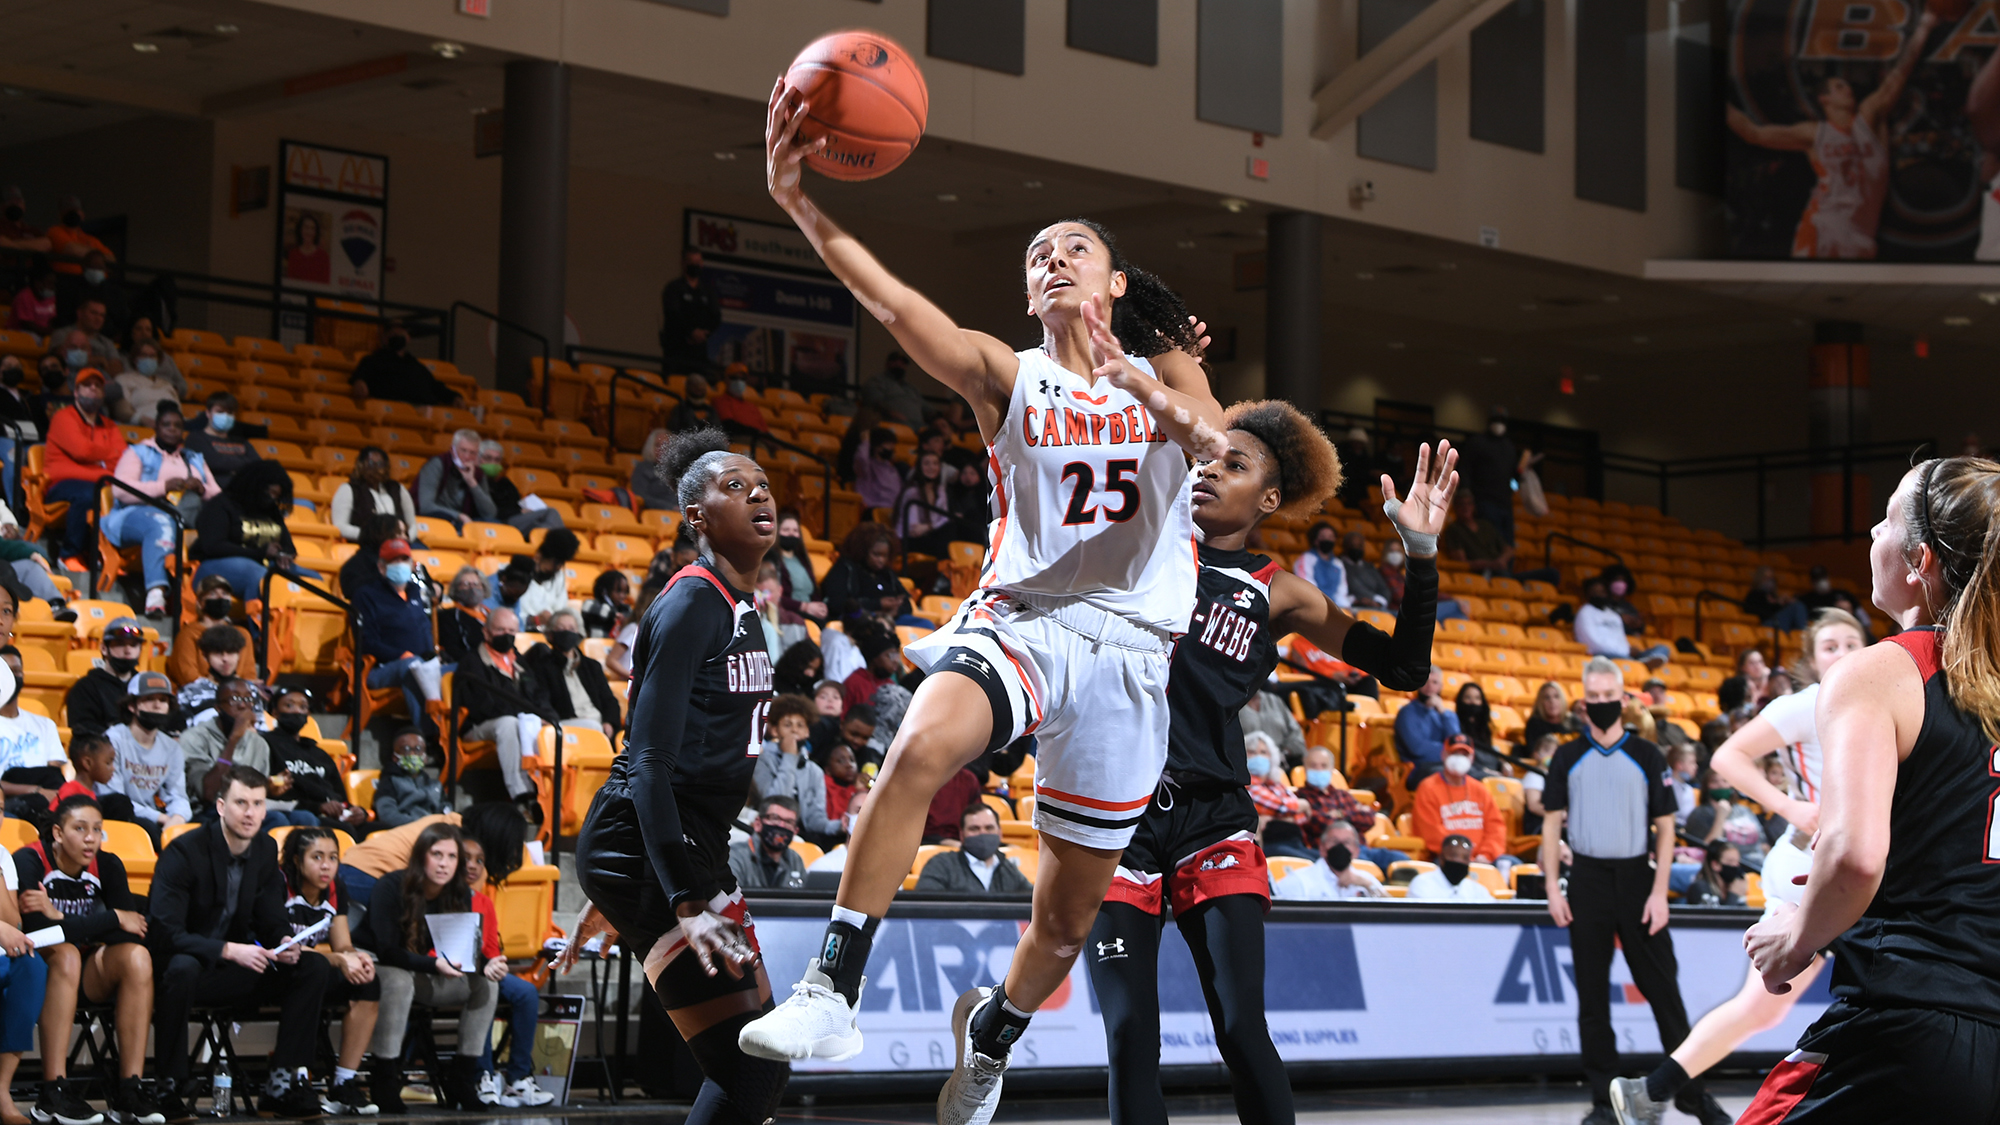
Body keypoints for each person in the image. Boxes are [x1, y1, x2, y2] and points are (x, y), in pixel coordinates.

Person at [743, 93, 1241, 1114]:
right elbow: (888, 303)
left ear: (1111, 280)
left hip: (1133, 656)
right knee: (918, 749)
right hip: (1021, 622)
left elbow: (1214, 444)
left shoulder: (1166, 368)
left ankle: (994, 1032)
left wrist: (1143, 374)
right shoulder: (1002, 373)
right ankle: (831, 987)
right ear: (1025, 296)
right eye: (1036, 255)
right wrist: (795, 200)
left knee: (1064, 921)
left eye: (1073, 248)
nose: (1051, 259)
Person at [1072, 400, 1444, 1125]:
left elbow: (1400, 667)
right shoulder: (1138, 539)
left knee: (1242, 1030)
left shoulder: (1276, 589)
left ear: (1269, 498)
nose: (1210, 469)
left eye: (1234, 464)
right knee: (1128, 1036)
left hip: (1213, 816)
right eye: (1205, 459)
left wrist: (1421, 555)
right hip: (1116, 816)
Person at [567, 428, 788, 1124]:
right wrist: (680, 900)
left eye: (761, 483)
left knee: (761, 1061)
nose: (757, 492)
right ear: (696, 517)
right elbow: (650, 759)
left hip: (678, 846)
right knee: (749, 1067)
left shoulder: (743, 609)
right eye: (733, 485)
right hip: (653, 845)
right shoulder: (692, 602)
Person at [1610, 607, 1867, 1125]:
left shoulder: (1869, 700)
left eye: (1851, 643)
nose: (1841, 654)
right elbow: (1728, 757)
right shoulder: (1808, 702)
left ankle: (1651, 1090)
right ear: (1811, 662)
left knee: (1764, 1007)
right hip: (1807, 861)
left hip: (1836, 861)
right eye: (1829, 646)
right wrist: (1791, 806)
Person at [1540, 655, 1709, 1124]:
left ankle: (1693, 1094)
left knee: (1665, 994)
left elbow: (1667, 827)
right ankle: (1603, 1100)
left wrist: (1659, 893)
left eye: (1606, 696)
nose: (1599, 703)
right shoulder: (1566, 756)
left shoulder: (1647, 756)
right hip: (1587, 881)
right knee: (1592, 999)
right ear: (1582, 702)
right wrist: (1554, 887)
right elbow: (1551, 825)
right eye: (1591, 697)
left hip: (1637, 879)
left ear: (1622, 698)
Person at [148, 768, 332, 1119]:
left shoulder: (265, 847)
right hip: (187, 965)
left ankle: (283, 1083)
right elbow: (164, 932)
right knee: (182, 969)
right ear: (220, 806)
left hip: (238, 967)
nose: (250, 813)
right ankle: (167, 1085)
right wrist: (228, 950)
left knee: (312, 966)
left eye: (258, 804)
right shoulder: (184, 852)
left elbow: (270, 913)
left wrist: (283, 939)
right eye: (240, 803)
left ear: (266, 810)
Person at [1726, 11, 1935, 260]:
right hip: (1823, 228)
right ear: (1824, 99)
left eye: (1847, 85)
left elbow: (1899, 74)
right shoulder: (1815, 133)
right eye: (1838, 87)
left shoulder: (1870, 117)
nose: (1847, 89)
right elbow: (1753, 133)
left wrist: (1926, 25)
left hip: (1863, 236)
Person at [13, 793, 154, 1125]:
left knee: (137, 956)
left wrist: (57, 915)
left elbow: (130, 930)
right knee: (66, 953)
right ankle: (52, 1092)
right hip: (43, 969)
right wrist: (107, 920)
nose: (91, 838)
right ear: (59, 833)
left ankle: (129, 1090)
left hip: (90, 974)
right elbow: (36, 932)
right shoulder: (30, 860)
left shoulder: (107, 864)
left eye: (97, 829)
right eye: (80, 828)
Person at [355, 822, 495, 1110]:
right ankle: (384, 1079)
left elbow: (461, 953)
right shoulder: (391, 886)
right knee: (399, 980)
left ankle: (462, 1079)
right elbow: (388, 950)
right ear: (421, 856)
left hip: (422, 966)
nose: (444, 864)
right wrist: (434, 964)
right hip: (374, 961)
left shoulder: (458, 894)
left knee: (487, 985)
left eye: (452, 856)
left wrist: (488, 965)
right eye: (437, 854)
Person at [276, 828, 379, 1116]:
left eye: (333, 858)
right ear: (297, 860)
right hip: (272, 967)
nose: (326, 865)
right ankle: (295, 1081)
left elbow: (342, 943)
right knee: (317, 968)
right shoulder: (278, 883)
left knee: (368, 982)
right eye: (317, 857)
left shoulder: (336, 888)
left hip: (313, 968)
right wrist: (337, 959)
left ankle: (343, 1083)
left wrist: (356, 957)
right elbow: (279, 946)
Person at [458, 833, 553, 1109]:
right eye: (466, 859)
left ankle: (518, 1079)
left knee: (525, 992)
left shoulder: (484, 901)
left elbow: (490, 945)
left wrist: (496, 961)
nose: (473, 865)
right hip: (454, 972)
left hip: (482, 969)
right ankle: (482, 1075)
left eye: (479, 860)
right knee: (484, 990)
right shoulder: (442, 896)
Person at [105, 403, 218, 615]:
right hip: (135, 514)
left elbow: (217, 495)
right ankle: (155, 594)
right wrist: (163, 487)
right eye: (166, 424)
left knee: (219, 530)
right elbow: (120, 491)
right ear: (156, 427)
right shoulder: (139, 452)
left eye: (177, 425)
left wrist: (201, 488)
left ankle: (209, 602)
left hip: (187, 514)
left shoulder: (194, 458)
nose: (172, 429)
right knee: (161, 521)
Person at [457, 607, 558, 821]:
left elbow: (539, 696)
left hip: (521, 721)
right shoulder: (472, 661)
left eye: (511, 630)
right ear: (486, 632)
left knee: (551, 729)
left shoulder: (520, 662)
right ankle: (522, 795)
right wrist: (526, 717)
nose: (506, 634)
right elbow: (481, 705)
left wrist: (547, 718)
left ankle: (549, 796)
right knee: (509, 723)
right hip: (479, 726)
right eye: (500, 629)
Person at [178, 677, 313, 832]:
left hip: (249, 809)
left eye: (248, 699)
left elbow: (256, 794)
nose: (242, 705)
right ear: (218, 707)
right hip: (210, 811)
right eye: (234, 699)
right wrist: (233, 739)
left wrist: (268, 789)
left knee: (305, 818)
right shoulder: (194, 738)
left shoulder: (258, 743)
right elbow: (208, 794)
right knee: (276, 820)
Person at [350, 537, 447, 737]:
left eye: (404, 560)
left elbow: (424, 629)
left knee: (455, 671)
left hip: (422, 662)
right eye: (394, 561)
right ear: (381, 567)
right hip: (380, 669)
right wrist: (400, 654)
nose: (400, 565)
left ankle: (451, 734)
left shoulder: (415, 593)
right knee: (412, 667)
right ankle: (428, 736)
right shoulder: (366, 595)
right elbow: (366, 641)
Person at [41, 367, 124, 569]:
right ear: (76, 392)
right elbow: (82, 451)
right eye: (87, 386)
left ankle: (102, 555)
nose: (93, 389)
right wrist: (104, 463)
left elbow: (122, 457)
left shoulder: (110, 425)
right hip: (60, 485)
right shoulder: (63, 417)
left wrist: (100, 460)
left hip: (98, 484)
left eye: (97, 386)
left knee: (122, 497)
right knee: (89, 494)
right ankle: (69, 554)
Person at [191, 459, 310, 594]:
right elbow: (213, 546)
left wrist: (284, 554)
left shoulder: (272, 511)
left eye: (276, 496)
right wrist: (259, 552)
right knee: (260, 577)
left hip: (259, 564)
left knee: (313, 580)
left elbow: (288, 545)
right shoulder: (221, 505)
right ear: (256, 485)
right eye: (270, 492)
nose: (272, 499)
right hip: (213, 565)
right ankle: (257, 614)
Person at [266, 687, 368, 834]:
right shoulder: (267, 744)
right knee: (345, 831)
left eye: (303, 707)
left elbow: (340, 795)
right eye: (289, 705)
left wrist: (357, 811)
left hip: (337, 814)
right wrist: (318, 807)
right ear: (274, 712)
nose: (297, 711)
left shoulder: (319, 753)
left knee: (383, 830)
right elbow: (277, 794)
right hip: (303, 813)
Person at [105, 672, 191, 843]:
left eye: (163, 700)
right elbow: (112, 798)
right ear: (132, 705)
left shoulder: (172, 747)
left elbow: (179, 796)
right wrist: (161, 818)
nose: (157, 705)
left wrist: (177, 818)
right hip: (120, 817)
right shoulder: (113, 740)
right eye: (149, 699)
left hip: (156, 818)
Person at [523, 608, 622, 742]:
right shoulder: (542, 667)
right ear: (551, 634)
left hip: (599, 724)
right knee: (592, 727)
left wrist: (609, 722)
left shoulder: (592, 666)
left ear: (578, 633)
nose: (567, 632)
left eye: (571, 628)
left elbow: (609, 700)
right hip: (568, 724)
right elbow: (543, 701)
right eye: (561, 628)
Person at [752, 694, 840, 845]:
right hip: (771, 834)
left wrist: (841, 826)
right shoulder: (762, 762)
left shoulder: (814, 771)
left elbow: (815, 821)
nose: (794, 731)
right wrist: (789, 757)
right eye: (787, 725)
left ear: (807, 732)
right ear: (774, 731)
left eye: (800, 725)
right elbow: (776, 805)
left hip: (804, 838)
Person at [1411, 737, 1507, 869]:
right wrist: (1464, 856)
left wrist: (1486, 855)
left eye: (1464, 755)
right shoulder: (1427, 788)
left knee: (1511, 863)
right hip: (1448, 858)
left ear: (1472, 758)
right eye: (1454, 754)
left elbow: (1496, 828)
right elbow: (1431, 833)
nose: (1459, 759)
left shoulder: (1480, 789)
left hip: (1484, 859)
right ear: (1444, 755)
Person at [917, 804, 1030, 894]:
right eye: (974, 829)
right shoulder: (941, 865)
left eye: (989, 828)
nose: (982, 833)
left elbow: (1034, 904)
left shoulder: (1008, 869)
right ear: (961, 835)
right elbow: (925, 908)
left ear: (1000, 833)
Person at [1271, 818, 1388, 900]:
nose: (1340, 847)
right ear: (1322, 848)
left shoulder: (1366, 880)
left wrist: (1367, 885)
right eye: (1334, 841)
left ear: (1356, 851)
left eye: (1346, 842)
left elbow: (1393, 914)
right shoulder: (1299, 881)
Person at [349, 323, 461, 406]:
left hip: (422, 410)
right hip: (391, 409)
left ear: (408, 338)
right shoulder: (372, 360)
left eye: (401, 334)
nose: (397, 337)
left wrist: (454, 397)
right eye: (393, 334)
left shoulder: (416, 366)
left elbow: (435, 386)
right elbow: (360, 378)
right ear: (384, 338)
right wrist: (359, 382)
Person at [820, 521, 911, 621]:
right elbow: (837, 605)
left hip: (891, 619)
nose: (881, 560)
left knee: (925, 624)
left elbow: (906, 602)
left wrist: (895, 611)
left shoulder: (887, 573)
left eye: (885, 556)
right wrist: (878, 604)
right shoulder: (845, 567)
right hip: (857, 620)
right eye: (876, 555)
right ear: (862, 550)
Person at [1394, 665, 1461, 789]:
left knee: (1475, 774)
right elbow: (1417, 748)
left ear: (1441, 686)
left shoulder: (1447, 715)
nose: (1429, 687)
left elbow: (1456, 742)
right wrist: (1449, 752)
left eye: (1434, 682)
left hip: (1446, 764)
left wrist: (1443, 713)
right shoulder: (1407, 713)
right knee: (1456, 774)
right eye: (1425, 682)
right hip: (1418, 769)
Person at [331, 447, 418, 542]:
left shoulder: (397, 488)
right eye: (371, 463)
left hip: (402, 542)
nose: (376, 468)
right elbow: (340, 526)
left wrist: (406, 537)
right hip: (367, 544)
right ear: (361, 465)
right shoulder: (349, 489)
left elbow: (412, 524)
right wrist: (371, 536)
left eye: (380, 464)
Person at [416, 430, 497, 531]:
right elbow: (426, 506)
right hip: (437, 518)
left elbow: (490, 513)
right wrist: (459, 515)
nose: (467, 457)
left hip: (466, 520)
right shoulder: (437, 464)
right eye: (463, 450)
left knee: (494, 524)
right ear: (452, 450)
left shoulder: (478, 473)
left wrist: (472, 482)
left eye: (472, 453)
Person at [1458, 409, 1518, 545]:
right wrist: (1466, 491)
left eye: (1502, 421)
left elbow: (1513, 478)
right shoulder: (1477, 442)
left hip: (1505, 503)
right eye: (1496, 420)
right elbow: (1465, 468)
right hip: (1484, 501)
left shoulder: (1509, 447)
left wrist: (1518, 480)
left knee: (1508, 544)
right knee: (1490, 543)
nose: (1499, 424)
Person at [478, 440, 566, 534]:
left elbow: (516, 503)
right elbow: (487, 511)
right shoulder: (475, 482)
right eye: (488, 458)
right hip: (501, 521)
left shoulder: (505, 483)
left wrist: (523, 510)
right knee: (551, 513)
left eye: (497, 460)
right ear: (478, 458)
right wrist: (519, 512)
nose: (493, 463)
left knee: (543, 527)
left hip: (517, 519)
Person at [175, 624, 256, 725]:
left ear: (239, 654)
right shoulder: (190, 692)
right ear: (205, 656)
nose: (225, 659)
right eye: (218, 653)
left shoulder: (251, 691)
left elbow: (260, 727)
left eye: (231, 652)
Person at [183, 391, 263, 489]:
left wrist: (229, 466)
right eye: (220, 412)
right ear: (208, 413)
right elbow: (213, 462)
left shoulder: (242, 442)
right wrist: (243, 463)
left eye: (230, 413)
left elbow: (259, 465)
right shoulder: (196, 438)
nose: (225, 416)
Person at [659, 248, 720, 374]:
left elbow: (716, 317)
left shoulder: (708, 290)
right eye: (692, 262)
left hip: (699, 353)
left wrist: (703, 334)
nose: (696, 265)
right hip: (676, 351)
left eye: (699, 261)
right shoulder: (674, 288)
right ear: (683, 263)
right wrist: (691, 332)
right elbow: (673, 314)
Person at [374, 728, 446, 831]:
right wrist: (421, 826)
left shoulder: (435, 785)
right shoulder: (389, 782)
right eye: (406, 749)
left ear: (425, 756)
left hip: (435, 832)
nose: (413, 754)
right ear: (395, 756)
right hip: (408, 831)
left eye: (418, 749)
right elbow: (387, 815)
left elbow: (446, 808)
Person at [729, 795, 807, 891]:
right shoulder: (736, 855)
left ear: (795, 831)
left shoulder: (795, 859)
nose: (781, 825)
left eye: (788, 822)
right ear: (758, 824)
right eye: (775, 818)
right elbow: (731, 899)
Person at [1293, 746, 1377, 833]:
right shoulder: (1299, 797)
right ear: (1305, 769)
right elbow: (1320, 824)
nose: (1319, 769)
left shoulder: (1344, 795)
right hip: (1326, 845)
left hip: (1357, 845)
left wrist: (1339, 814)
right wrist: (1352, 813)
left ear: (1331, 769)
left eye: (1324, 765)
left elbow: (1369, 819)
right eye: (1313, 765)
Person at [507, 529, 582, 627]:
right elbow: (509, 616)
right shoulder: (518, 574)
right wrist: (533, 620)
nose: (558, 568)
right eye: (554, 563)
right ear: (538, 556)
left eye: (561, 563)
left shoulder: (558, 576)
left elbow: (560, 609)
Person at [112, 341, 185, 426]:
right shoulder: (123, 379)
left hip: (174, 424)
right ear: (135, 359)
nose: (148, 359)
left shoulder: (167, 385)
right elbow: (121, 411)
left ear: (158, 360)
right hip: (146, 423)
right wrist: (141, 419)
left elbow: (179, 411)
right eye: (144, 355)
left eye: (152, 356)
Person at [1405, 833, 1495, 902]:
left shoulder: (1477, 890)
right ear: (1441, 858)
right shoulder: (1422, 884)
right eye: (1454, 856)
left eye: (1465, 858)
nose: (1459, 861)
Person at [860, 350, 927, 426]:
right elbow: (873, 401)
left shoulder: (912, 388)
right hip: (893, 422)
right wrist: (890, 413)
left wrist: (936, 418)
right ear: (888, 363)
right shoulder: (877, 381)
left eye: (903, 363)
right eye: (896, 361)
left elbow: (925, 407)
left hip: (919, 424)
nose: (900, 365)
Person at [1292, 521, 1351, 605]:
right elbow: (1307, 586)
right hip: (1312, 604)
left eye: (1331, 537)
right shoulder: (1306, 559)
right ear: (1316, 540)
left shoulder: (1338, 564)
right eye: (1323, 536)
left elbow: (1342, 590)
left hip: (1334, 606)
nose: (1327, 540)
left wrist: (1342, 608)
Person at [1677, 840, 1747, 909]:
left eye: (1737, 861)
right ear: (1715, 864)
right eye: (1731, 861)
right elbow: (1717, 919)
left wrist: (1740, 897)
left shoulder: (1733, 886)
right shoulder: (1699, 888)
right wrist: (1733, 895)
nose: (1736, 866)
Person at [849, 424, 904, 512]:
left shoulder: (892, 469)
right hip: (874, 510)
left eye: (893, 445)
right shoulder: (867, 467)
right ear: (877, 447)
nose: (892, 448)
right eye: (889, 444)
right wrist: (866, 441)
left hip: (894, 511)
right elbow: (861, 458)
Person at [1338, 530, 1393, 609]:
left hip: (1375, 606)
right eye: (1353, 545)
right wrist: (1363, 599)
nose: (1356, 549)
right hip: (1351, 606)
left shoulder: (1369, 567)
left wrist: (1379, 602)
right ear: (1345, 546)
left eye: (1359, 546)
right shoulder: (1339, 565)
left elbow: (1384, 589)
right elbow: (1352, 586)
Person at [630, 428, 679, 511]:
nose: (662, 449)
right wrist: (670, 507)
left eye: (666, 445)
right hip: (654, 512)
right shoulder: (642, 468)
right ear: (650, 447)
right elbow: (641, 496)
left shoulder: (677, 470)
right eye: (657, 445)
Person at [581, 569, 631, 639]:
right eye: (618, 591)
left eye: (625, 592)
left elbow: (632, 617)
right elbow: (587, 608)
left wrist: (625, 618)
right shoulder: (592, 603)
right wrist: (614, 615)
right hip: (595, 646)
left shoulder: (625, 608)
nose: (622, 596)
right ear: (605, 591)